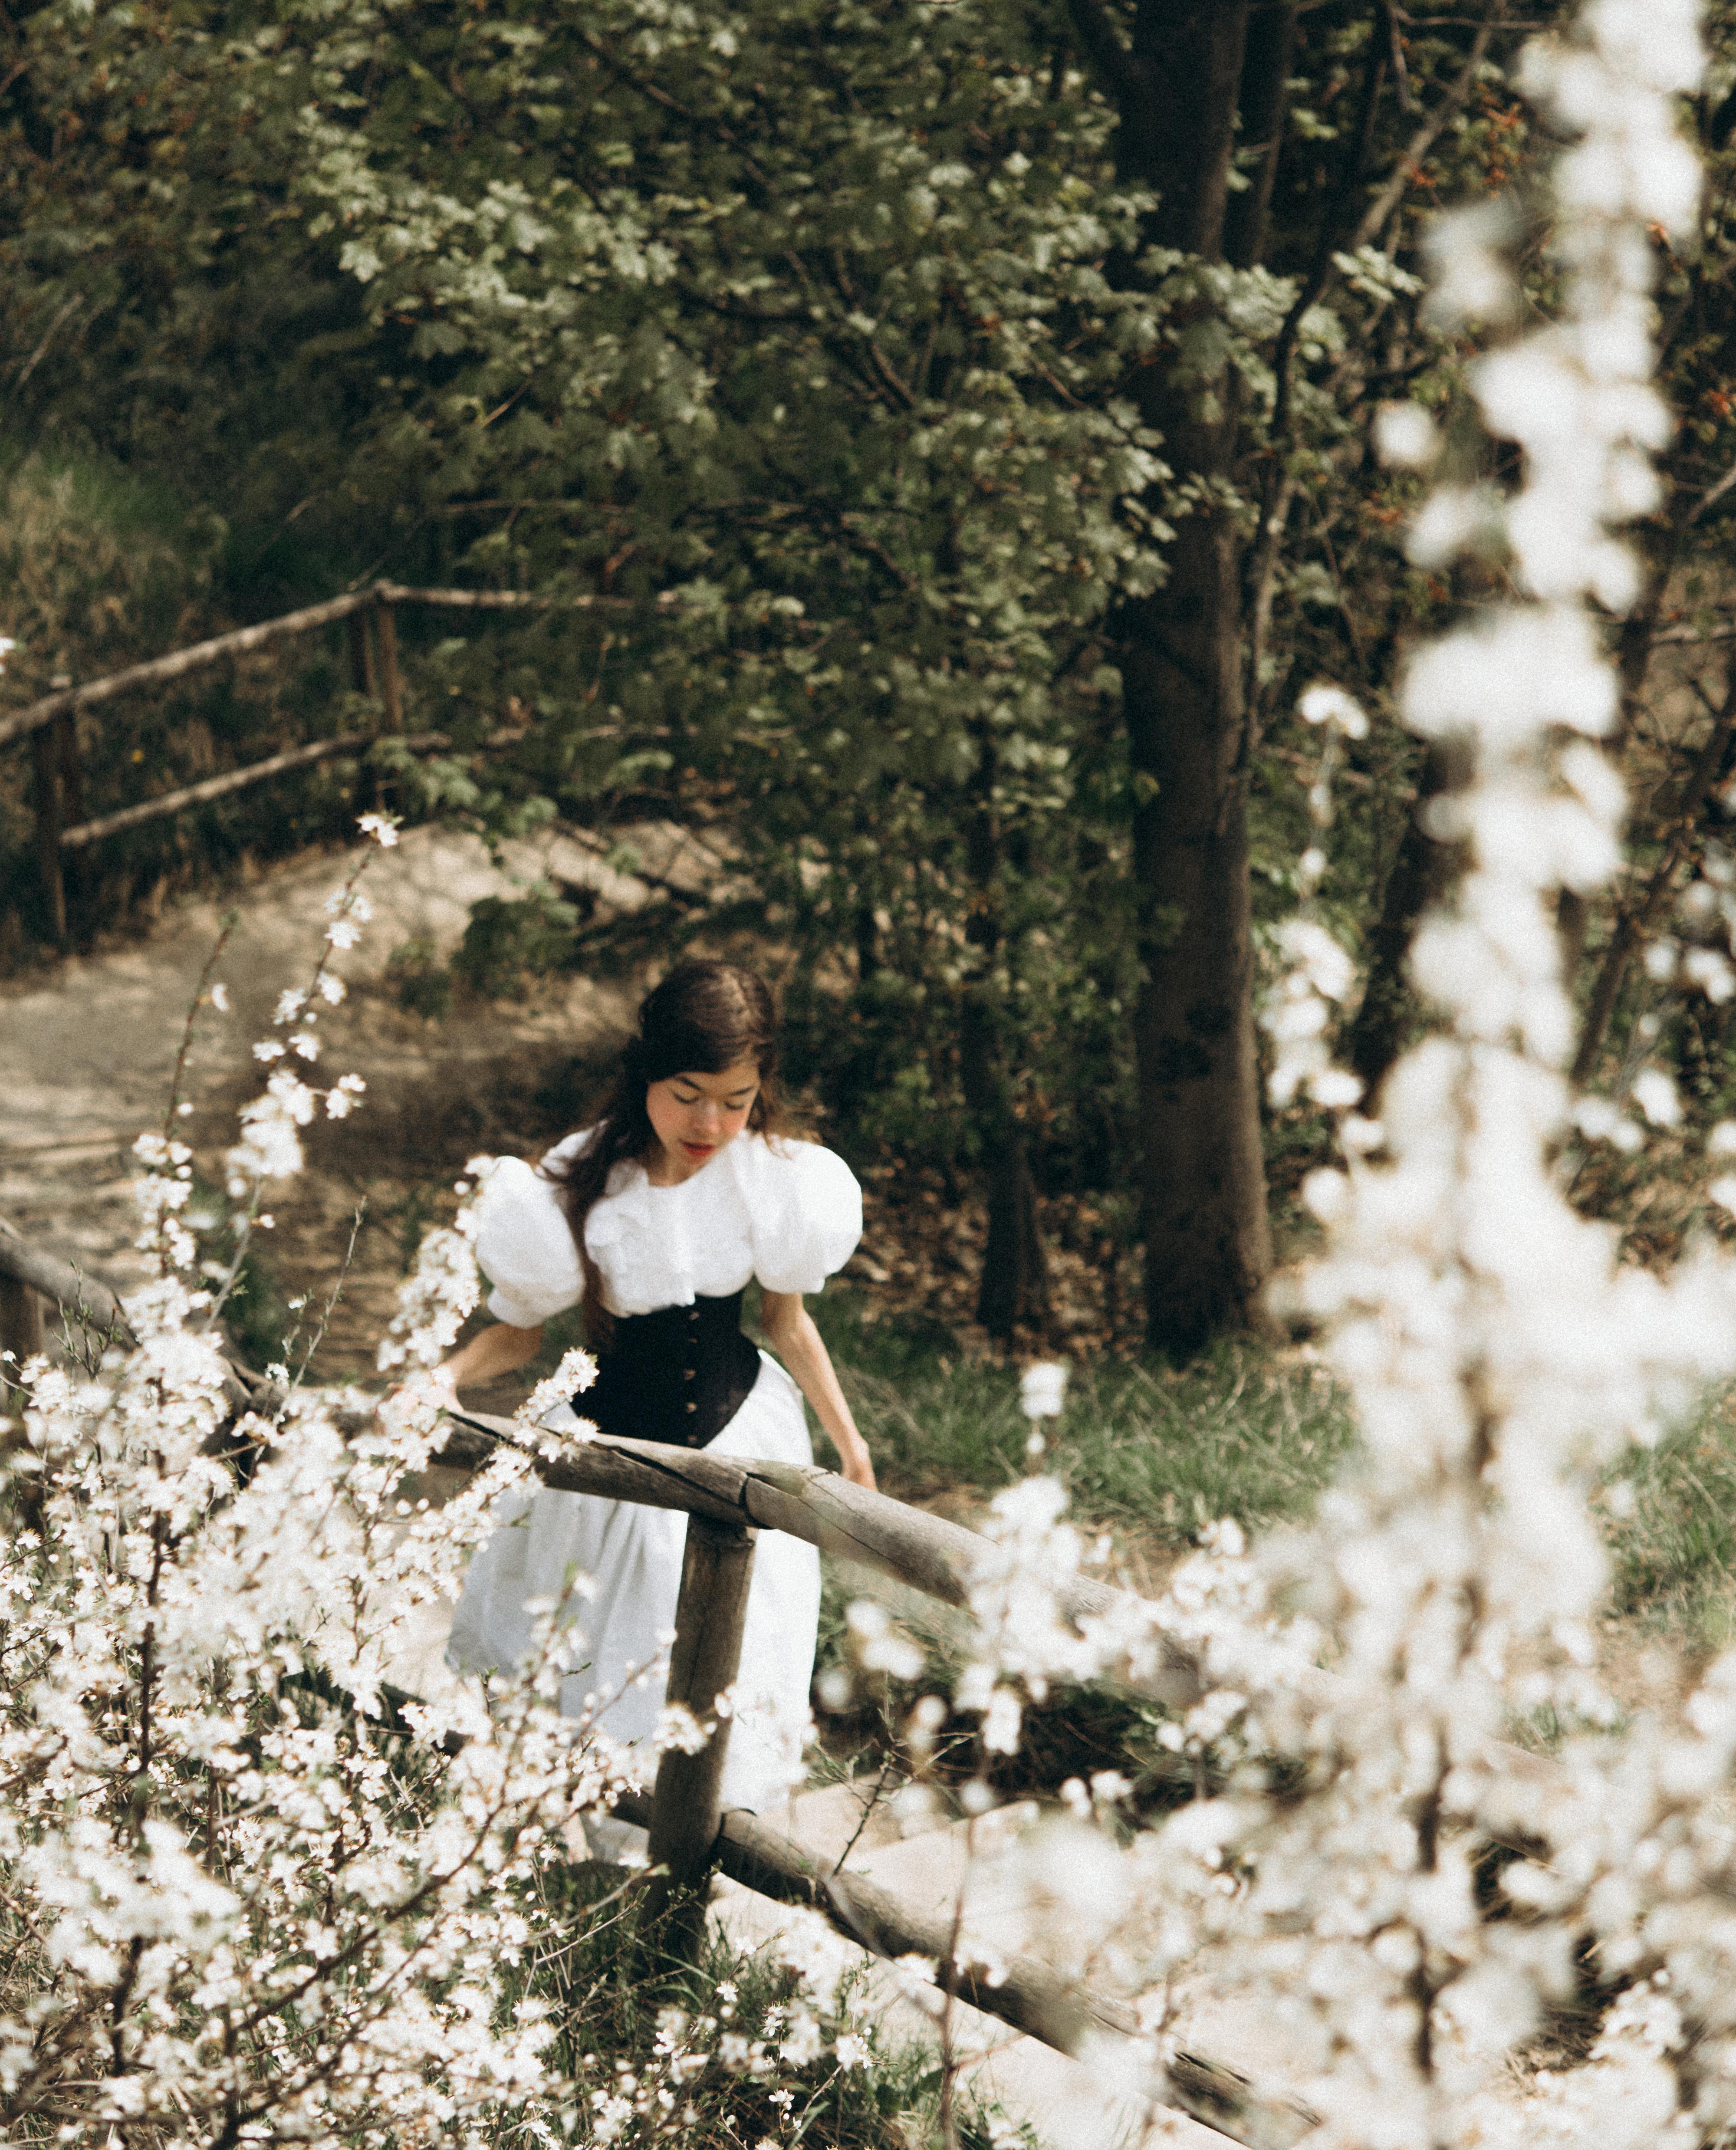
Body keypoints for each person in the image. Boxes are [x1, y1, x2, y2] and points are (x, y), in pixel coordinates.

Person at [431, 959, 872, 1814]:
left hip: (737, 1432)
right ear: (644, 1076)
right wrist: (443, 1375)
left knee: (726, 1654)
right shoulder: (582, 1180)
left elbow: (785, 1322)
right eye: (686, 1092)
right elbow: (522, 1331)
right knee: (604, 1651)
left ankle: (701, 1839)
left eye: (735, 1097)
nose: (710, 1120)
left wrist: (850, 1443)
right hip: (609, 1457)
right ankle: (600, 1844)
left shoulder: (768, 1177)